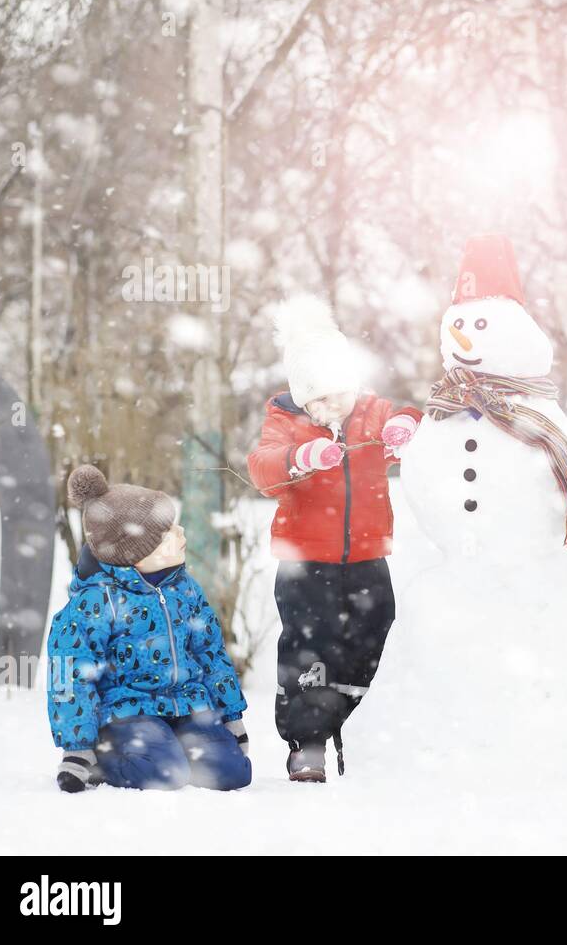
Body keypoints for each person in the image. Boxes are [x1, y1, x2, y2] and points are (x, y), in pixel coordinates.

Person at [246, 296, 421, 782]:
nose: (327, 406)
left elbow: (408, 419)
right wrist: (301, 458)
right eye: (314, 398)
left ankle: (363, 730)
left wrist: (407, 426)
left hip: (367, 558)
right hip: (306, 563)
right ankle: (309, 741)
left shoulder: (370, 413)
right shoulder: (285, 419)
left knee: (374, 638)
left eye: (335, 394)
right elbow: (263, 468)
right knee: (311, 647)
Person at [47, 464, 250, 792]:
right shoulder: (96, 601)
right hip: (128, 712)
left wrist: (231, 715)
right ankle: (106, 754)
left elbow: (210, 652)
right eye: (166, 532)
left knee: (233, 772)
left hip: (187, 705)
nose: (180, 533)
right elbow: (69, 672)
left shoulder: (183, 588)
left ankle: (175, 746)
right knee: (162, 773)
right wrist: (77, 747)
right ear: (133, 552)